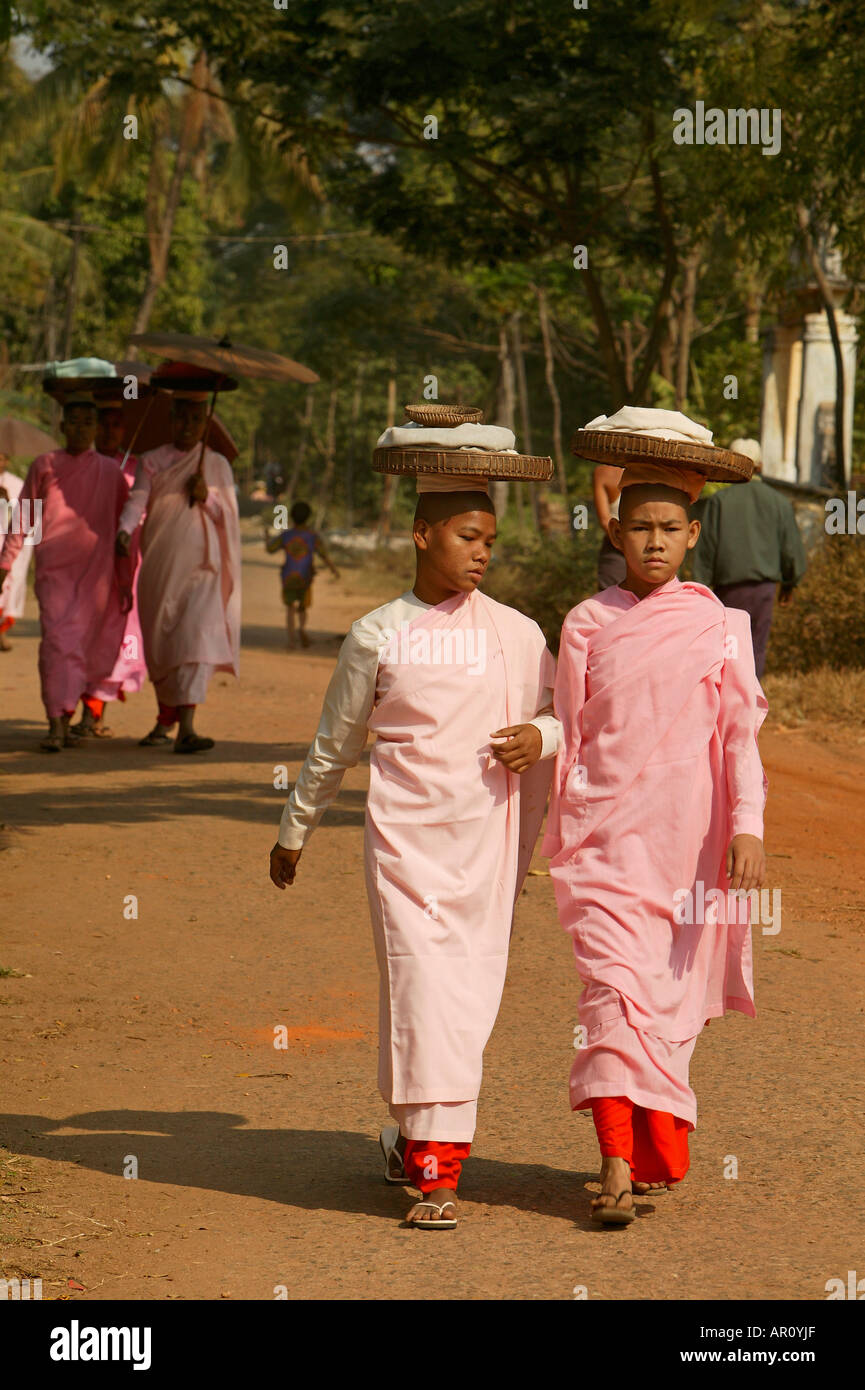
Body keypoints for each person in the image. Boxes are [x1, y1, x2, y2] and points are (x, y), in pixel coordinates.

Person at [269, 476, 562, 1229]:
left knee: (465, 1001)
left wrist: (543, 737)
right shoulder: (378, 632)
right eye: (468, 538)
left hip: (488, 847)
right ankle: (438, 1175)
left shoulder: (519, 634)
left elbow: (563, 717)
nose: (481, 555)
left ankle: (410, 1137)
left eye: (490, 542)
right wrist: (295, 827)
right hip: (403, 848)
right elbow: (336, 741)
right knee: (422, 991)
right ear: (421, 534)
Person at [545, 410, 767, 1225]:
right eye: (637, 526)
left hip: (687, 846)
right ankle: (609, 1162)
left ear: (693, 533)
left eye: (669, 527)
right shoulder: (584, 623)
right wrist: (561, 836)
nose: (652, 542)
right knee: (609, 994)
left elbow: (740, 736)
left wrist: (747, 823)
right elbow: (567, 734)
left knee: (665, 1004)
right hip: (602, 843)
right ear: (614, 528)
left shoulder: (718, 624)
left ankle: (648, 1151)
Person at [116, 378, 241, 754]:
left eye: (195, 419)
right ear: (171, 419)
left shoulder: (216, 464)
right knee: (162, 644)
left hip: (204, 568)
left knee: (193, 639)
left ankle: (187, 727)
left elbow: (228, 518)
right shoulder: (152, 460)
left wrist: (209, 499)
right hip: (159, 563)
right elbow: (138, 500)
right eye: (181, 418)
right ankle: (165, 716)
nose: (187, 426)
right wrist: (124, 530)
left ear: (205, 422)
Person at [0, 395, 131, 752]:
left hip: (97, 575)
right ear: (61, 426)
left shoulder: (111, 473)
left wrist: (124, 578)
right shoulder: (45, 465)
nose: (80, 429)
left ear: (96, 428)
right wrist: (5, 563)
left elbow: (125, 531)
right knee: (57, 645)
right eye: (73, 422)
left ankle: (73, 714)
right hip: (54, 572)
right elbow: (25, 516)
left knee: (84, 647)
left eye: (88, 422)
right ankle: (56, 722)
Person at [691, 438, 807, 678]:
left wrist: (700, 591)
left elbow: (706, 552)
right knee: (756, 649)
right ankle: (751, 705)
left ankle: (728, 706)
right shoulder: (779, 502)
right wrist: (789, 584)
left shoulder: (719, 502)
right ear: (761, 466)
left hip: (728, 591)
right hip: (764, 589)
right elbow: (790, 549)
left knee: (730, 649)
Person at [71, 404, 148, 737]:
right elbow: (40, 511)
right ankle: (60, 716)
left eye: (116, 425)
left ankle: (91, 712)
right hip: (73, 570)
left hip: (124, 570)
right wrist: (34, 549)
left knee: (113, 644)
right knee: (73, 641)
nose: (108, 431)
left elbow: (144, 515)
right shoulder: (62, 465)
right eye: (102, 423)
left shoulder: (137, 469)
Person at [265, 500, 340, 649]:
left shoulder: (286, 536)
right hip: (306, 578)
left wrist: (266, 537)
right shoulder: (312, 536)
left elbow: (270, 549)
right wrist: (333, 569)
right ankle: (302, 629)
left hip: (288, 577)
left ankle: (291, 640)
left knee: (290, 608)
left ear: (292, 517)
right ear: (309, 517)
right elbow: (324, 555)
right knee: (302, 608)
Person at [0, 452, 33, 652]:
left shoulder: (17, 483)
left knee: (7, 589)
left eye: (1, 458)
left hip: (9, 545)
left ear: (7, 460)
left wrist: (7, 500)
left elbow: (28, 515)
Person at [592, 463, 627, 589]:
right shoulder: (654, 467)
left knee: (611, 604)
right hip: (648, 549)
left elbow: (605, 520)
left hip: (617, 546)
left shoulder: (603, 472)